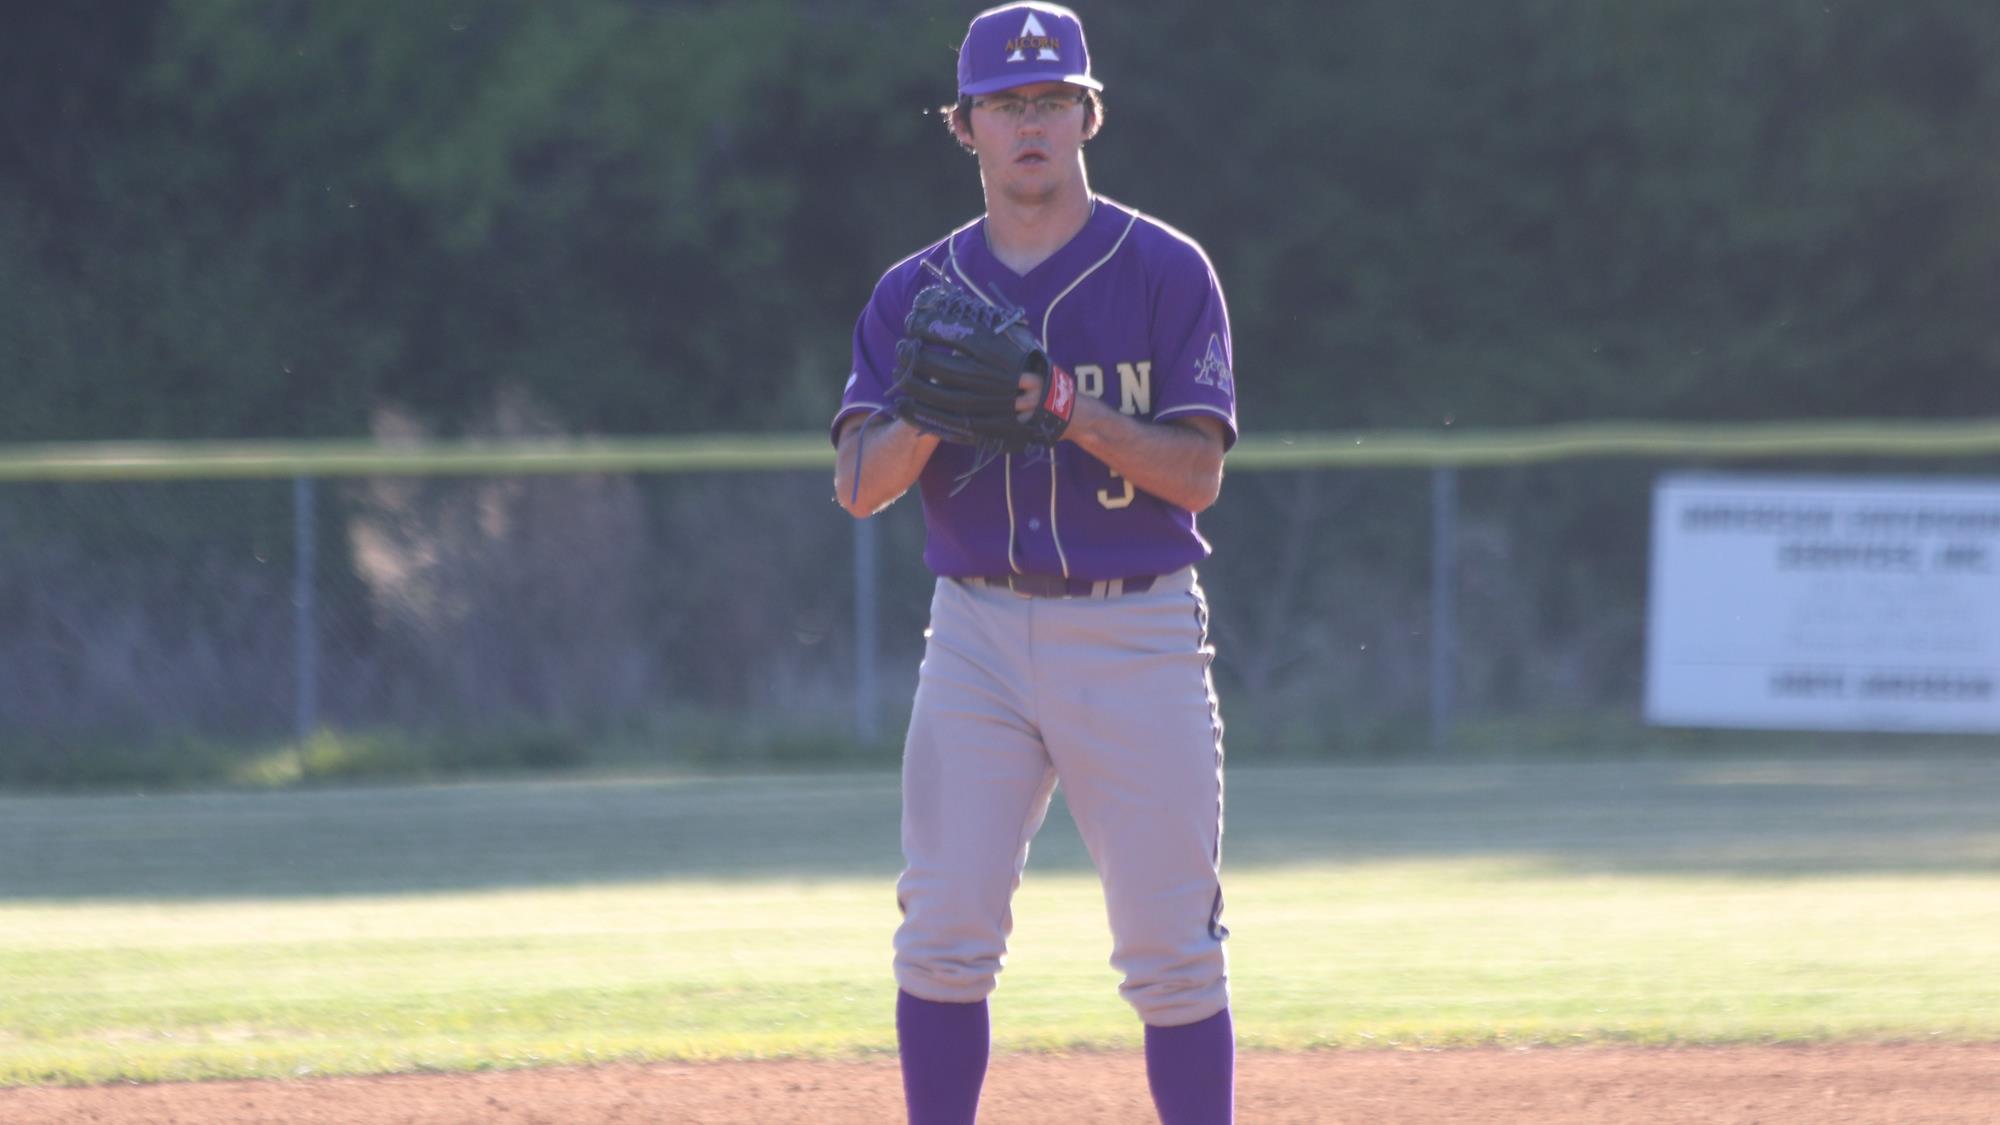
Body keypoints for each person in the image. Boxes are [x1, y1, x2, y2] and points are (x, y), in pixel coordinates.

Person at [831, 4, 1238, 1122]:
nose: (1030, 122)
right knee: (942, 933)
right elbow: (861, 486)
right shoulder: (913, 291)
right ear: (963, 126)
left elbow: (1197, 476)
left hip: (1136, 630)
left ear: (1088, 116)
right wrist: (921, 409)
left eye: (1051, 99)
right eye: (1006, 103)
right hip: (974, 635)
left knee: (1170, 952)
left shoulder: (1163, 271)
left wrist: (1067, 410)